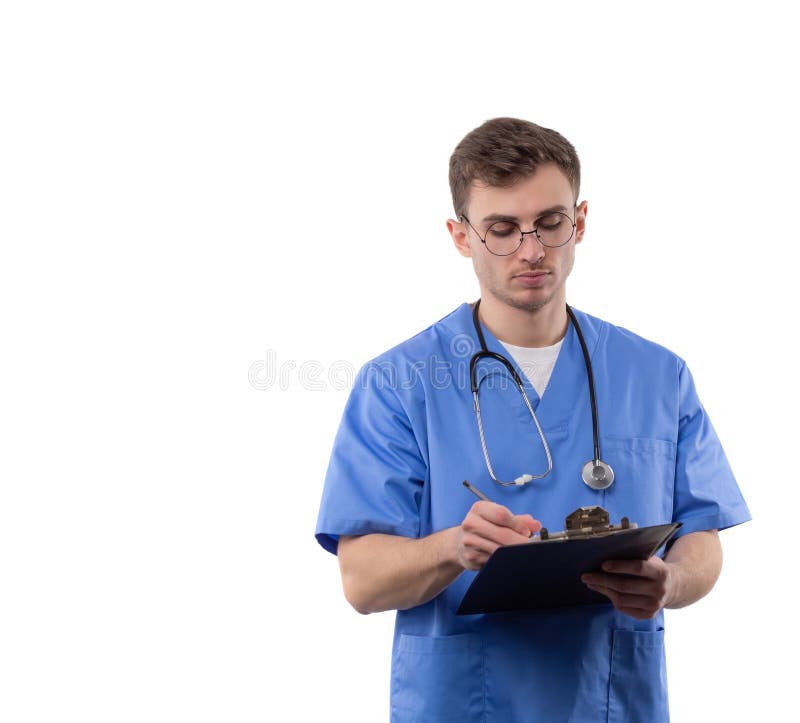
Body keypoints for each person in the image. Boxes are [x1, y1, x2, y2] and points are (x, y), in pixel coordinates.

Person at [314, 117, 750, 722]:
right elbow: (361, 581)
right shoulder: (397, 384)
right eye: (502, 229)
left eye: (551, 222)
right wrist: (451, 549)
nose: (532, 249)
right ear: (461, 236)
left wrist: (669, 583)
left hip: (613, 700)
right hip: (465, 703)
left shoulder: (657, 375)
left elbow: (702, 536)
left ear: (581, 221)